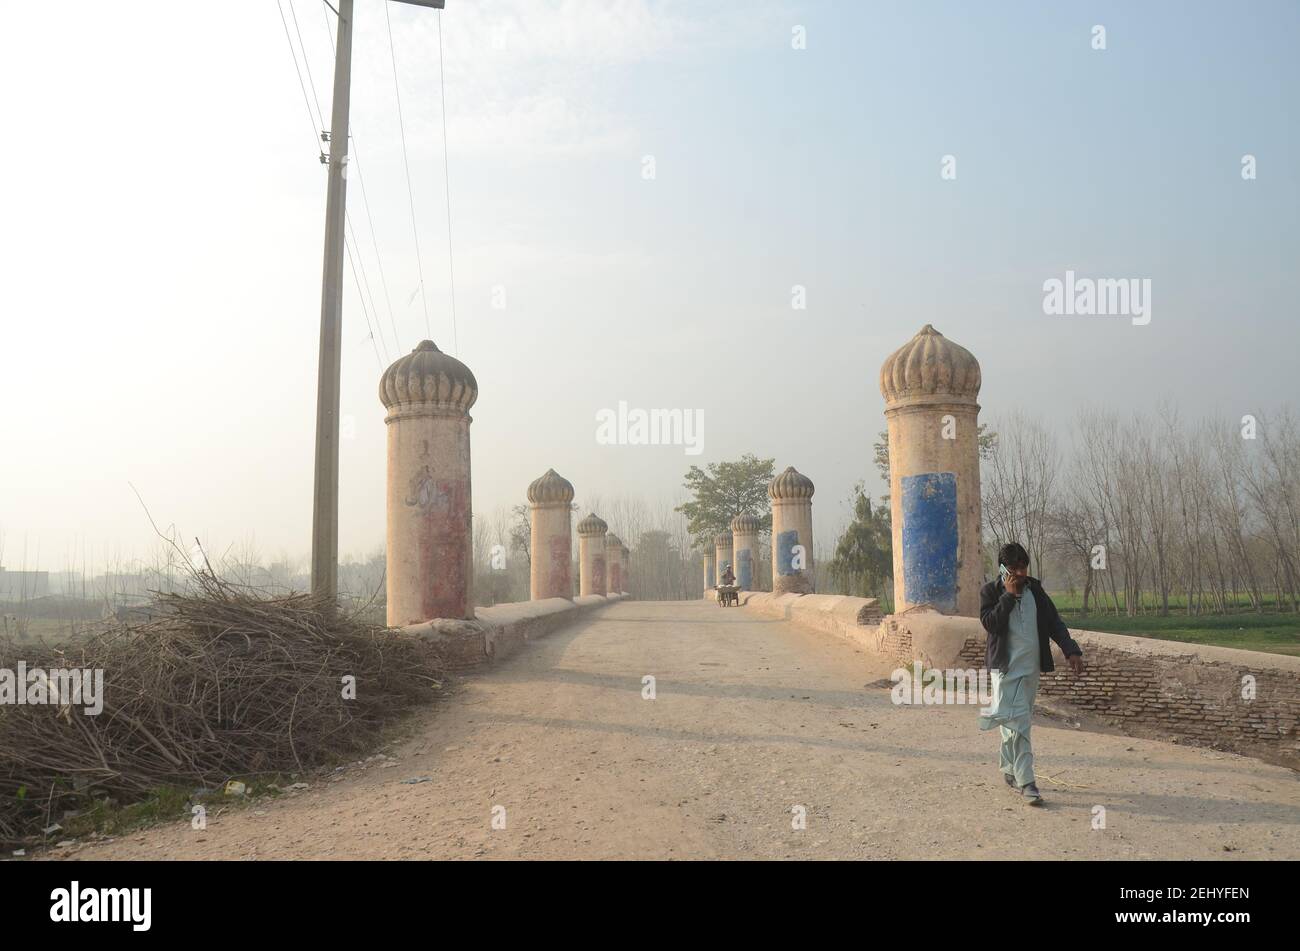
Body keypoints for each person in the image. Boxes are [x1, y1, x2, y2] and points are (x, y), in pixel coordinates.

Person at [978, 542, 1085, 806]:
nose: (1020, 574)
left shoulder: (1036, 592)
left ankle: (1008, 768)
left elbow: (1054, 624)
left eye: (1023, 567)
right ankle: (1027, 781)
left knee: (1013, 722)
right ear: (1003, 570)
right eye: (1014, 569)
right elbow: (990, 623)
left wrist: (1071, 650)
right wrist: (1009, 597)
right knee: (1020, 724)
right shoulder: (991, 592)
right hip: (1005, 671)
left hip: (1030, 669)